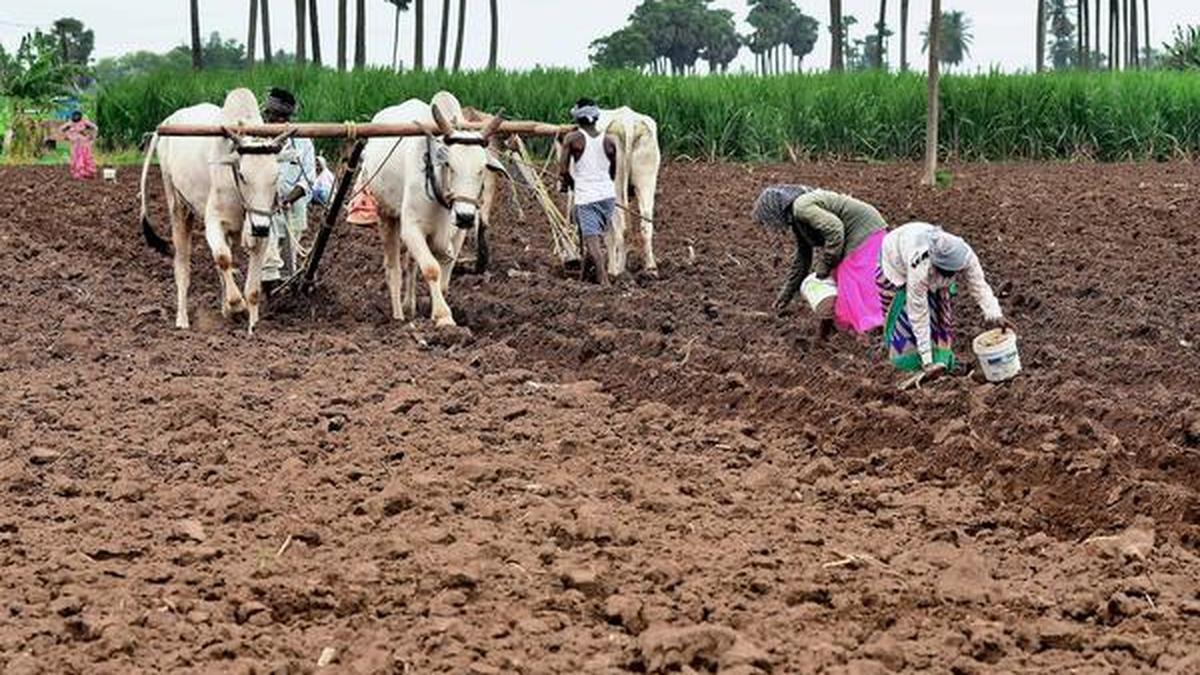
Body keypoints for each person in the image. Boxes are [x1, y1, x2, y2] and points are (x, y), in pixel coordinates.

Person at [878, 222, 1015, 377]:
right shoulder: (919, 266)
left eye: (951, 273)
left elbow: (979, 286)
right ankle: (910, 365)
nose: (947, 277)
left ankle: (942, 360)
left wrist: (996, 315)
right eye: (942, 272)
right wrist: (927, 361)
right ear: (935, 265)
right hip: (896, 261)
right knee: (906, 319)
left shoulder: (966, 256)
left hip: (920, 253)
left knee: (940, 313)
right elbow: (918, 314)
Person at [752, 185, 889, 338]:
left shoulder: (801, 207)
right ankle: (852, 330)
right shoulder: (798, 218)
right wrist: (786, 294)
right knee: (843, 282)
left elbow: (835, 229)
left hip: (864, 232)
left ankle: (871, 328)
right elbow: (803, 257)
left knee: (852, 284)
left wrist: (825, 264)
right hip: (858, 233)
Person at [261, 88, 317, 288]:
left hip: (292, 206)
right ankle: (268, 286)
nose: (272, 121)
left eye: (278, 118)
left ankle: (286, 287)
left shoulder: (302, 141)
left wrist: (287, 200)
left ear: (286, 119)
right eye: (269, 116)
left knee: (289, 255)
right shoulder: (257, 139)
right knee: (266, 253)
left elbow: (309, 177)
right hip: (264, 206)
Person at [558, 98, 617, 286]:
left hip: (586, 197)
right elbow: (613, 171)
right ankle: (584, 278)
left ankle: (604, 280)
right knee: (594, 235)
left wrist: (569, 185)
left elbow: (563, 171)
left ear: (578, 119)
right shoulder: (609, 141)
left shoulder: (572, 139)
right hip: (608, 196)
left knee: (592, 241)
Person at [60, 111, 98, 180]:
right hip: (75, 145)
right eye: (75, 116)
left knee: (86, 157)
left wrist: (91, 137)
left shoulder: (84, 122)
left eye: (77, 116)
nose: (76, 117)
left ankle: (88, 173)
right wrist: (68, 136)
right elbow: (61, 129)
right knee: (77, 159)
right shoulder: (70, 123)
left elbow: (95, 128)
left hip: (84, 144)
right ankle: (78, 174)